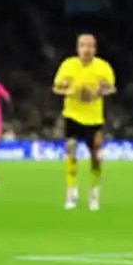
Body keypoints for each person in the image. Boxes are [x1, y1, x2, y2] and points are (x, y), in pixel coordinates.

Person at [52, 33, 115, 211]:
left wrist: (96, 93)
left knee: (96, 156)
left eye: (90, 45)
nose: (86, 49)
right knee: (71, 151)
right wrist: (72, 91)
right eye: (83, 45)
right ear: (77, 48)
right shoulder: (68, 65)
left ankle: (94, 193)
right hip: (72, 115)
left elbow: (110, 88)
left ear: (95, 48)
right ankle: (71, 192)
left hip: (94, 118)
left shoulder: (103, 67)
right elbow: (56, 87)